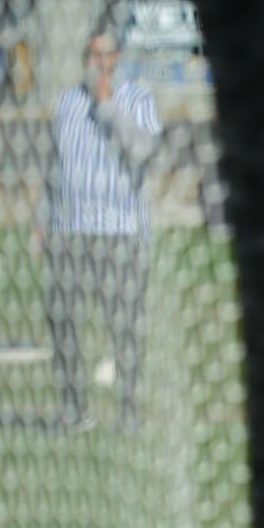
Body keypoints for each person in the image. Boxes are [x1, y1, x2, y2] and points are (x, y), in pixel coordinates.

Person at [38, 22, 161, 431]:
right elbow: (53, 166)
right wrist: (42, 221)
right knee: (63, 321)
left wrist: (108, 107)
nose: (100, 63)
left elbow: (144, 151)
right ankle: (74, 410)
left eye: (106, 55)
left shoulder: (138, 99)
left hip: (120, 232)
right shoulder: (67, 102)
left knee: (124, 326)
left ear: (118, 58)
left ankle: (129, 412)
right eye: (93, 55)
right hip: (70, 230)